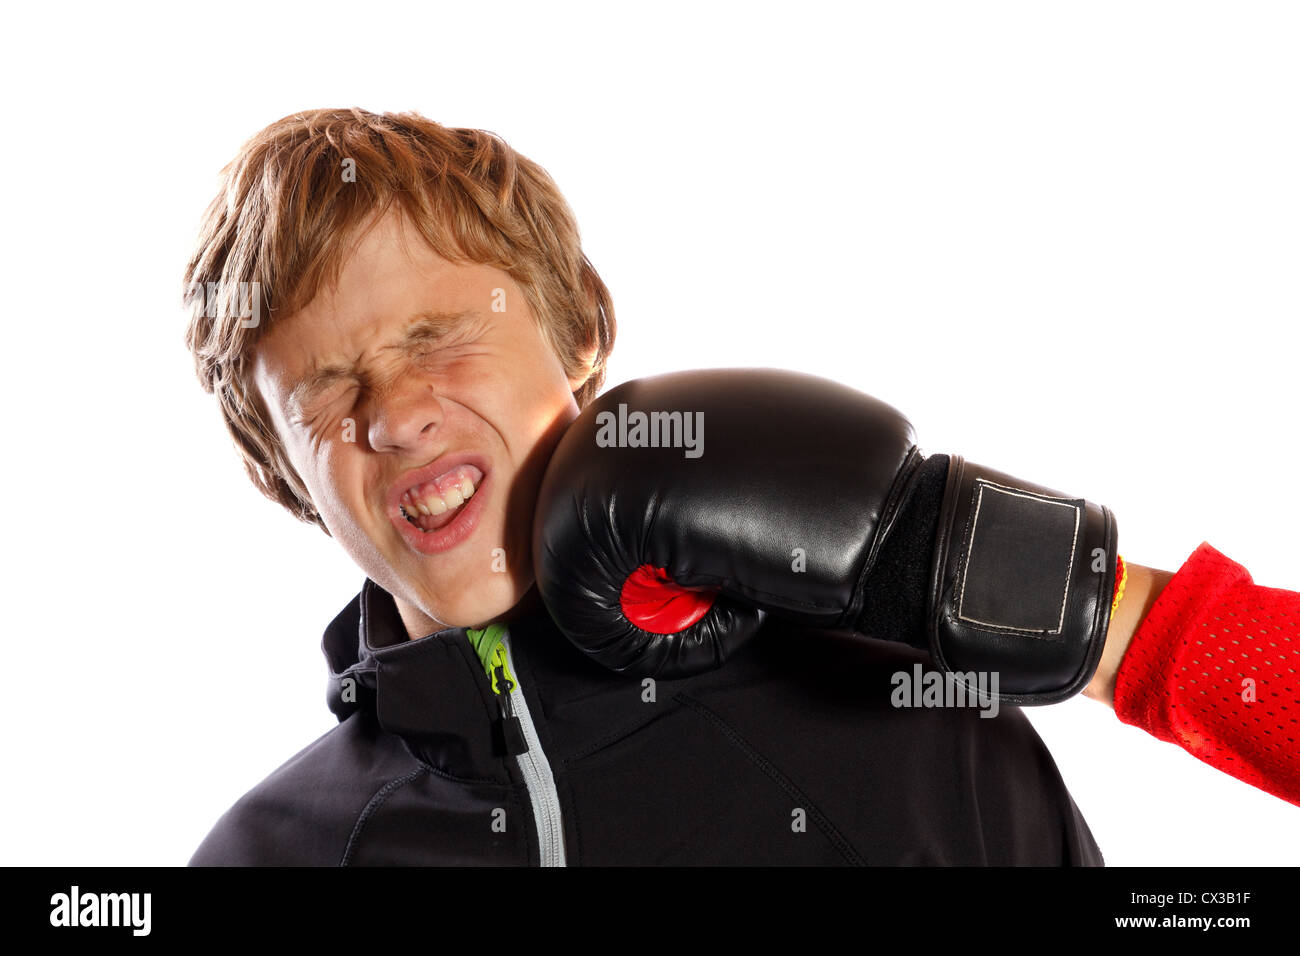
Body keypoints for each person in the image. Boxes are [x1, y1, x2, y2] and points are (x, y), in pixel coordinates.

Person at [181, 108, 1292, 868]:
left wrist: (1049, 603)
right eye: (328, 389)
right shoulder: (266, 857)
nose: (395, 411)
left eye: (438, 334)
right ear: (283, 472)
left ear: (581, 329)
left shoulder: (912, 734)